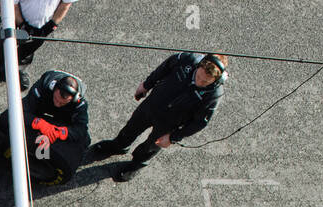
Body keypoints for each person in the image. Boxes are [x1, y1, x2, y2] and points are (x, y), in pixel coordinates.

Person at [90, 52, 227, 182]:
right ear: (199, 65)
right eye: (199, 77)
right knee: (131, 128)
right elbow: (163, 68)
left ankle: (137, 164)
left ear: (216, 79)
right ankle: (119, 146)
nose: (200, 82)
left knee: (151, 146)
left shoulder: (214, 95)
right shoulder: (186, 59)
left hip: (170, 123)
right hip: (151, 105)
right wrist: (146, 85)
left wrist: (173, 137)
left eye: (205, 82)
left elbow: (199, 123)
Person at [4, 71, 89, 184]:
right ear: (54, 88)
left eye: (62, 103)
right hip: (39, 115)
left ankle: (42, 160)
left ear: (73, 99)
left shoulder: (80, 104)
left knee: (84, 141)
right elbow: (20, 111)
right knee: (5, 119)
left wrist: (60, 132)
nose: (57, 104)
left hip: (61, 123)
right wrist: (39, 123)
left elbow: (81, 130)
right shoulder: (43, 86)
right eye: (56, 99)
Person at [0, 0, 76, 92]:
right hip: (14, 20)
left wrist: (51, 25)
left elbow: (65, 4)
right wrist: (23, 25)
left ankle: (18, 69)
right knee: (2, 48)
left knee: (28, 51)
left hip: (42, 26)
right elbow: (10, 4)